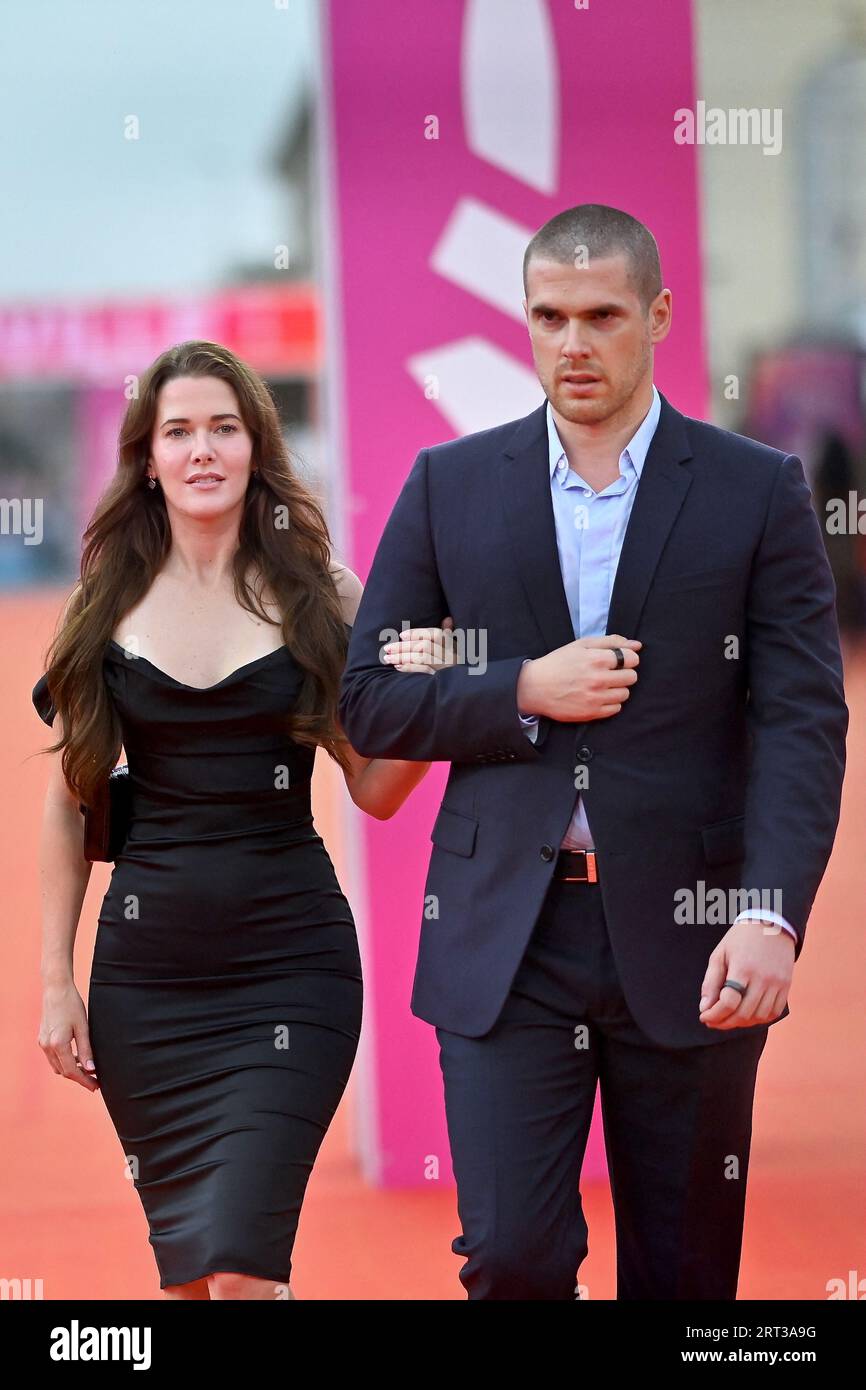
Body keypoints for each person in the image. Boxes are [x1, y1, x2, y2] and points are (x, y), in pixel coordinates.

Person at [338, 205, 849, 1300]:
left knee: (682, 1274)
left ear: (655, 316)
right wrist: (518, 689)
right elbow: (369, 705)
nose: (573, 342)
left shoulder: (754, 489)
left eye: (602, 315)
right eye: (548, 316)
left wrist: (767, 913)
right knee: (513, 1258)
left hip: (695, 937)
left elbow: (802, 720)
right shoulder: (448, 485)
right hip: (502, 942)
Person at [30, 339, 452, 1301]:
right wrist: (57, 983)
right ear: (148, 457)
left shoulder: (322, 596)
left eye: (224, 427)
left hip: (290, 972)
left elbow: (375, 789)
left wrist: (428, 702)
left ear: (258, 448)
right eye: (178, 431)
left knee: (244, 1272)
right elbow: (67, 810)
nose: (203, 449)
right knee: (188, 1277)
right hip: (149, 987)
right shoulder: (102, 609)